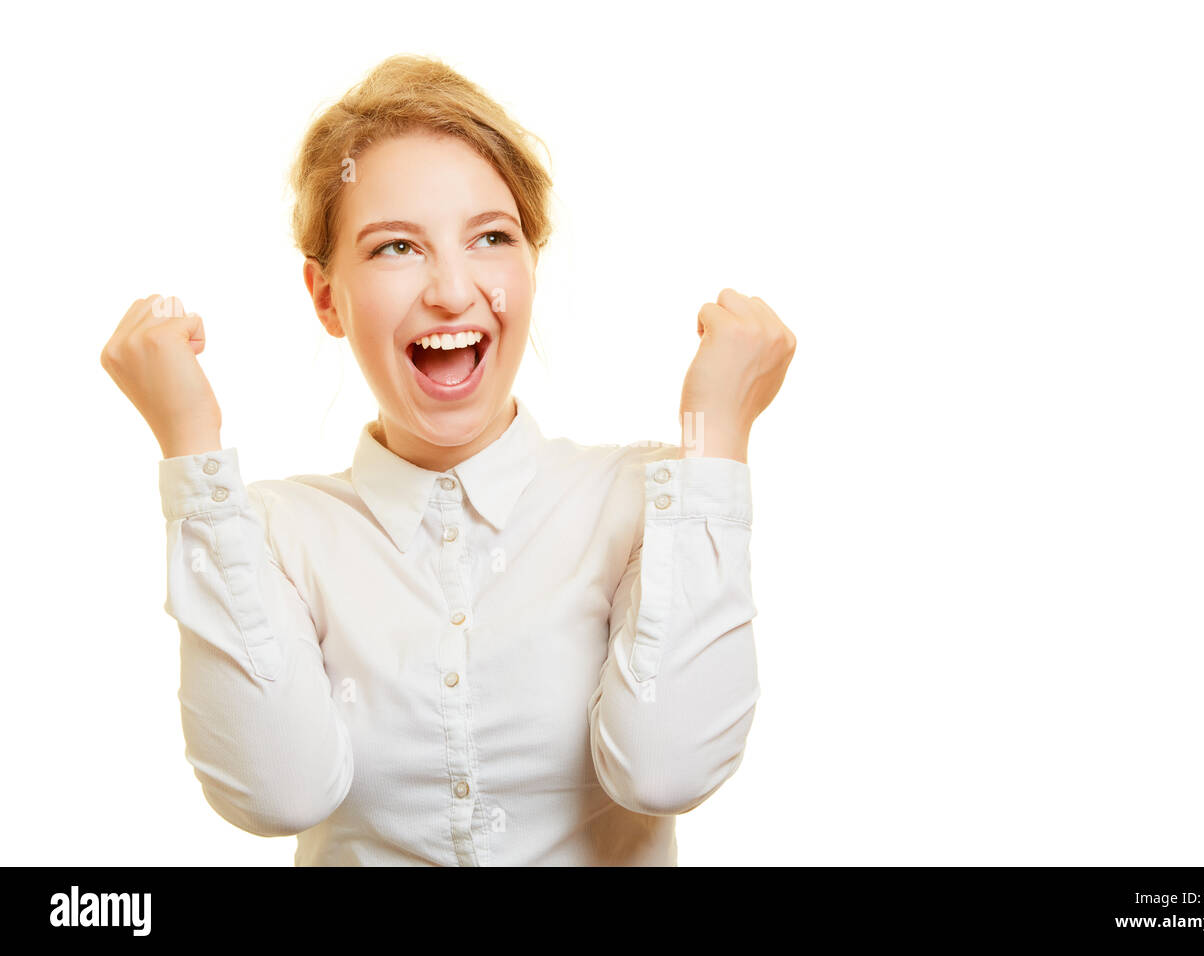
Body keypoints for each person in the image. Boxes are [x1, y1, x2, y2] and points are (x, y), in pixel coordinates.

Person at [100, 54, 795, 866]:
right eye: (397, 247)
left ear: (531, 264)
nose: (452, 291)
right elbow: (275, 794)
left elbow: (667, 769)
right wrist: (190, 445)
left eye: (491, 238)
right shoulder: (264, 536)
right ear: (327, 297)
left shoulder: (647, 502)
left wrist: (714, 440)